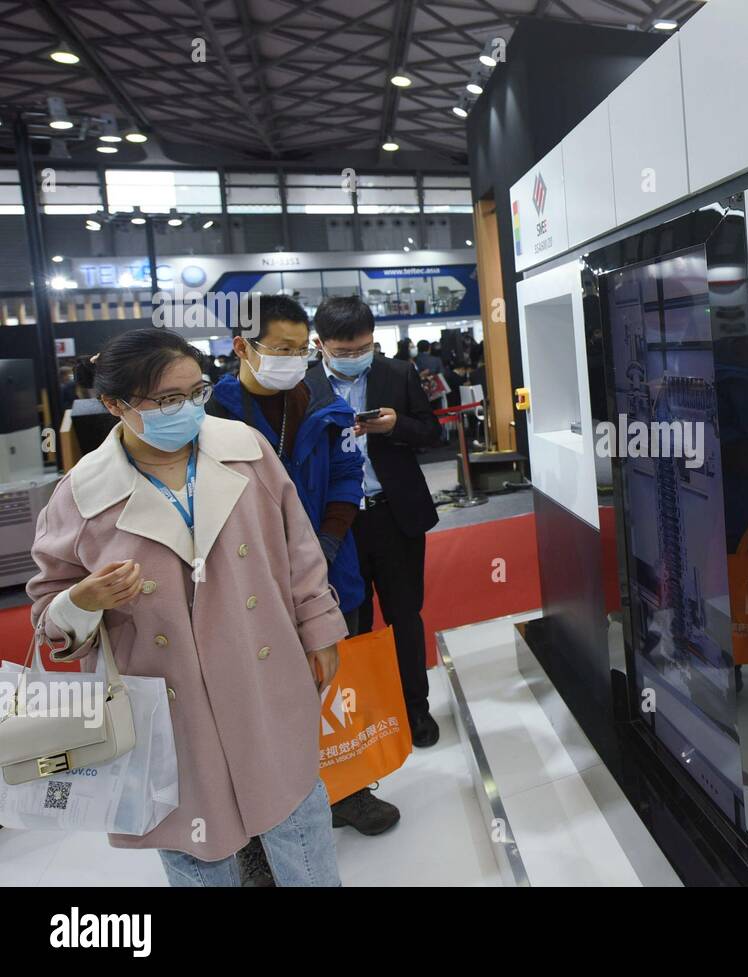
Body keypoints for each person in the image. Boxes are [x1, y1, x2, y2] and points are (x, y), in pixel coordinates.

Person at [27, 328, 347, 887]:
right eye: (168, 401)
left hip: (260, 669)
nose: (189, 411)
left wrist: (319, 627)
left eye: (197, 393)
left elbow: (299, 549)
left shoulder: (246, 450)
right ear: (114, 405)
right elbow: (47, 609)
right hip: (164, 702)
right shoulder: (80, 495)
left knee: (296, 813)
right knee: (194, 842)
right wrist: (83, 600)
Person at [207, 295, 401, 876]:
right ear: (244, 347)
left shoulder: (322, 401)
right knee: (257, 704)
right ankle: (256, 835)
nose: (295, 360)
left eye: (300, 349)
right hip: (242, 583)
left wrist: (329, 541)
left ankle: (346, 789)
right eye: (282, 350)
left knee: (335, 683)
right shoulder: (212, 415)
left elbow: (345, 473)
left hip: (327, 570)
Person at [309, 297, 441, 748]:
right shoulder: (303, 386)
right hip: (337, 526)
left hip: (394, 513)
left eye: (362, 347)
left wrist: (396, 425)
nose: (354, 358)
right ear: (320, 345)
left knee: (406, 616)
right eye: (343, 351)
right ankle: (362, 716)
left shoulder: (396, 374)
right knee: (351, 623)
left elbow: (431, 432)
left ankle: (415, 709)